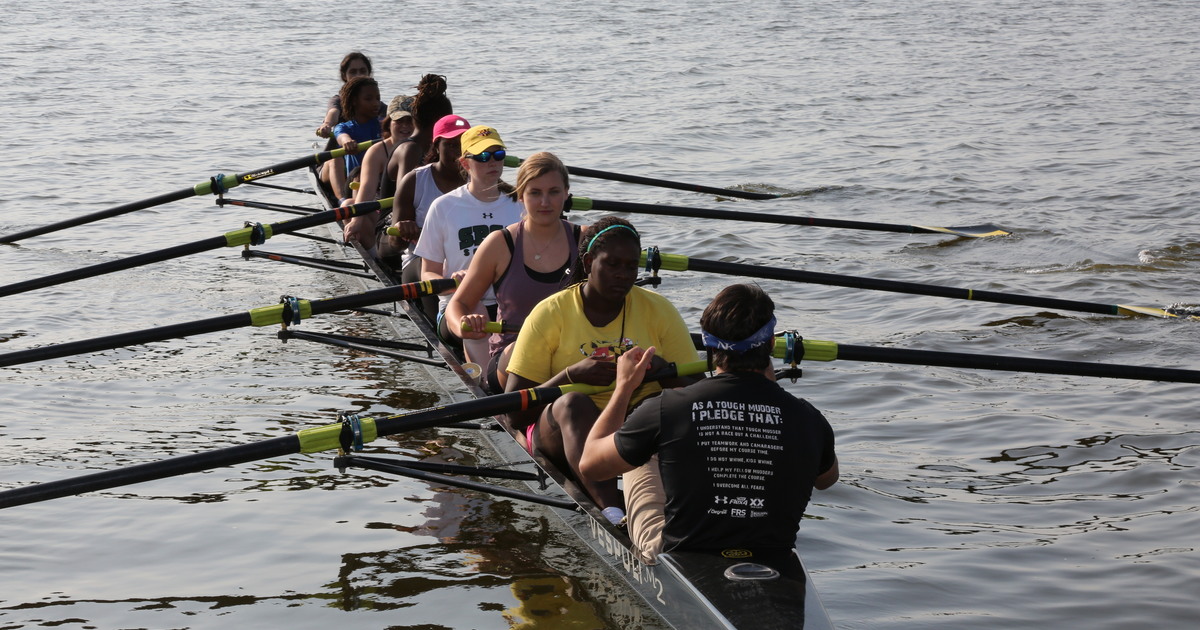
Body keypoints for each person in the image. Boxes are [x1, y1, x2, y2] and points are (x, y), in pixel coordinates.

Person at [579, 283, 839, 563]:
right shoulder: (808, 417)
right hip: (773, 557)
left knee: (649, 443)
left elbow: (591, 466)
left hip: (678, 555)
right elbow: (827, 479)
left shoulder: (667, 407)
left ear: (708, 345)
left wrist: (625, 387)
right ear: (772, 344)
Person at [504, 217, 699, 525]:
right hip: (562, 427)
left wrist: (664, 371)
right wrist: (570, 376)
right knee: (574, 402)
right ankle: (612, 513)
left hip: (631, 424)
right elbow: (514, 411)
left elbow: (699, 395)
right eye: (612, 265)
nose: (623, 276)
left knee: (656, 405)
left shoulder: (659, 310)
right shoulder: (549, 313)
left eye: (631, 267)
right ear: (589, 261)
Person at [446, 152, 580, 394]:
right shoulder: (500, 243)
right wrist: (463, 325)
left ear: (567, 193)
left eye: (554, 192)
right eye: (535, 193)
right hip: (511, 354)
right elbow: (459, 305)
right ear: (520, 195)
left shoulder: (584, 240)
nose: (545, 202)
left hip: (570, 350)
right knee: (528, 351)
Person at [412, 125, 524, 362]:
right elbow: (428, 273)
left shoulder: (520, 204)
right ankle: (483, 383)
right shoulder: (443, 207)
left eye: (498, 155)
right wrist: (455, 284)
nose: (492, 162)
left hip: (509, 306)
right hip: (458, 308)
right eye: (482, 157)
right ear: (465, 164)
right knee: (475, 309)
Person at [351, 94, 415, 208]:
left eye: (409, 121)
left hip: (414, 207)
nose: (405, 126)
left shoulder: (425, 147)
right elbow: (367, 191)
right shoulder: (376, 152)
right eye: (399, 121)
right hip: (382, 208)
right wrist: (357, 221)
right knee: (348, 204)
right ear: (388, 123)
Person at [329, 76, 383, 203]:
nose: (376, 103)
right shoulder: (345, 127)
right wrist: (347, 142)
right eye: (368, 99)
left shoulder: (383, 124)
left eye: (378, 98)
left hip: (380, 182)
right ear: (354, 101)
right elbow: (341, 136)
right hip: (356, 184)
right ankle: (343, 201)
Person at [315, 51, 384, 139]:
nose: (358, 75)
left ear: (369, 74)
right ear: (344, 76)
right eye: (353, 72)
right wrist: (327, 124)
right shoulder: (338, 101)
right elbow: (333, 112)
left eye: (363, 71)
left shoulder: (376, 105)